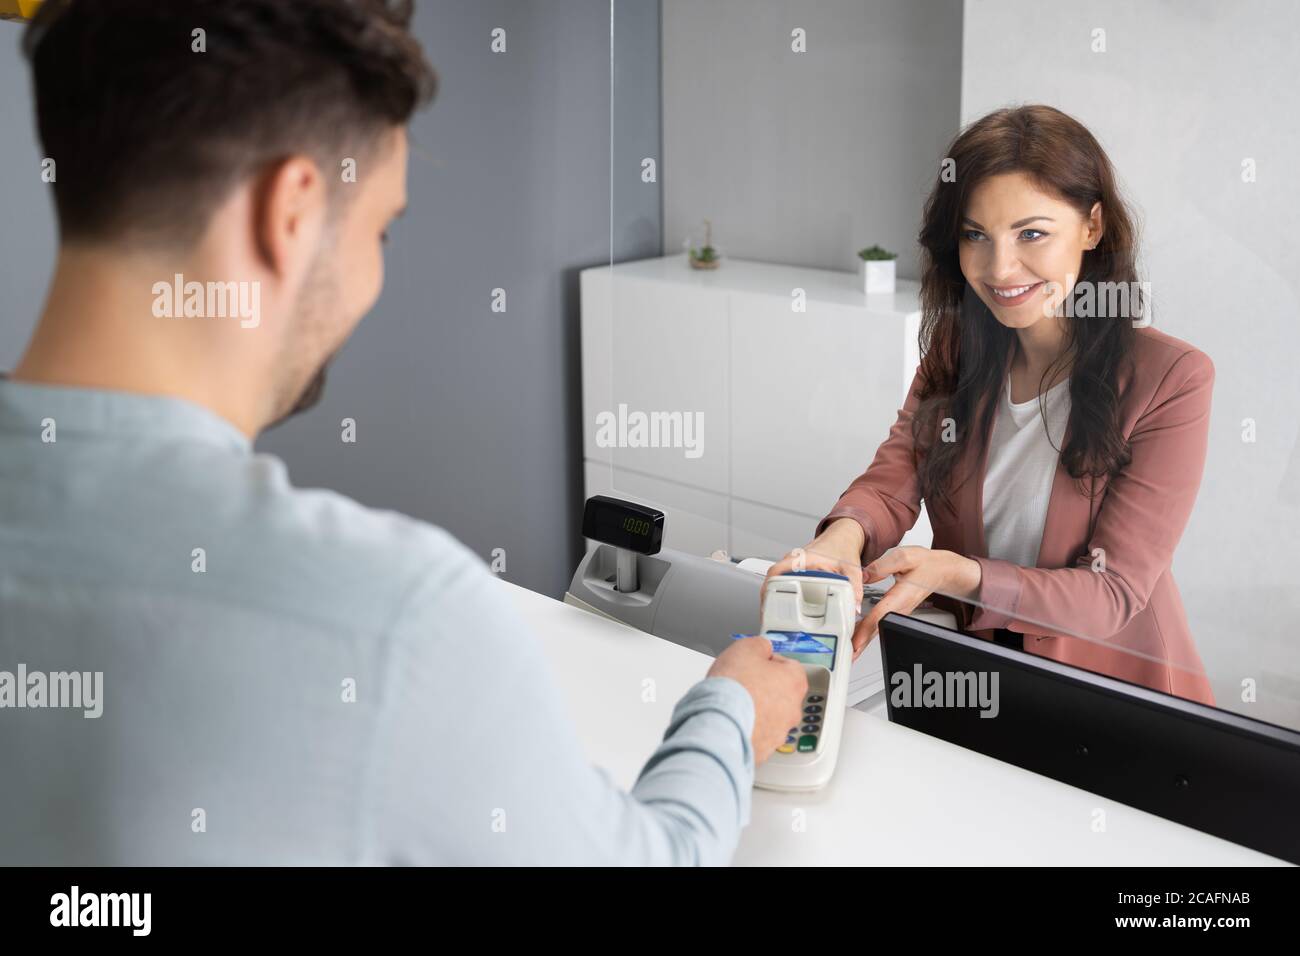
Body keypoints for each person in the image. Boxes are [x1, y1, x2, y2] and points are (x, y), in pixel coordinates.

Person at [0, 0, 806, 865]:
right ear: (292, 213)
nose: (376, 274)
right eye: (382, 227)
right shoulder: (391, 622)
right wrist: (730, 714)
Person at [765, 105, 1215, 705]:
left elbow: (1112, 595)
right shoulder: (958, 348)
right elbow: (897, 473)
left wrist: (959, 574)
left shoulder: (1171, 380)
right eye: (976, 235)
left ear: (1092, 227)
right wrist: (841, 540)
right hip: (973, 673)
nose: (1000, 268)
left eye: (1032, 233)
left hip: (1111, 692)